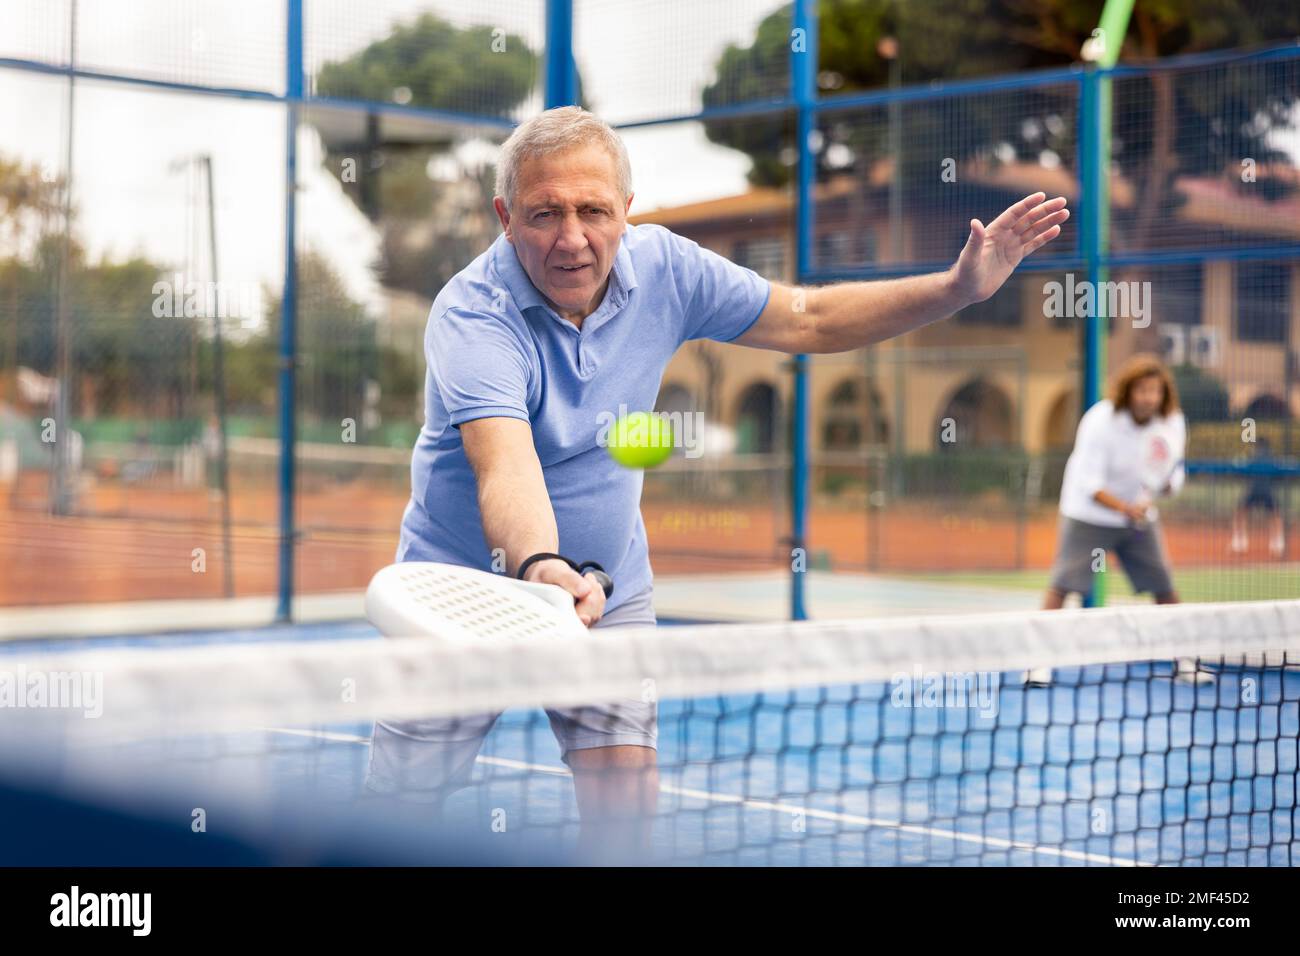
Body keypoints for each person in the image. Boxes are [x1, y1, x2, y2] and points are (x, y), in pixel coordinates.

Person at [364, 105, 1068, 858]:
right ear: (505, 216)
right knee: (403, 806)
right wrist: (542, 568)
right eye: (545, 214)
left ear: (626, 212)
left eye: (594, 211)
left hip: (610, 587)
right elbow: (505, 463)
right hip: (464, 591)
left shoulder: (666, 268)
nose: (573, 238)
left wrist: (955, 290)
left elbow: (811, 318)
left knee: (624, 793)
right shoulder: (474, 313)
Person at [1030, 354, 1192, 685]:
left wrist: (1159, 492)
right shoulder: (1100, 420)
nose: (1149, 398)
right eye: (1142, 390)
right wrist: (1124, 508)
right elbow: (1089, 484)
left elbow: (1173, 475)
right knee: (1062, 586)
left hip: (1137, 523)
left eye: (1155, 391)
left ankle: (1184, 659)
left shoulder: (1173, 421)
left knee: (1164, 587)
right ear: (1128, 391)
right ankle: (1037, 663)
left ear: (1163, 395)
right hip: (1087, 515)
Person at [1230, 436, 1286, 558]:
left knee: (1240, 512)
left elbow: (1242, 471)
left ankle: (1239, 543)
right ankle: (1278, 544)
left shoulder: (1251, 455)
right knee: (1275, 515)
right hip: (1268, 491)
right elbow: (1279, 475)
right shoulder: (1272, 458)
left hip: (1253, 490)